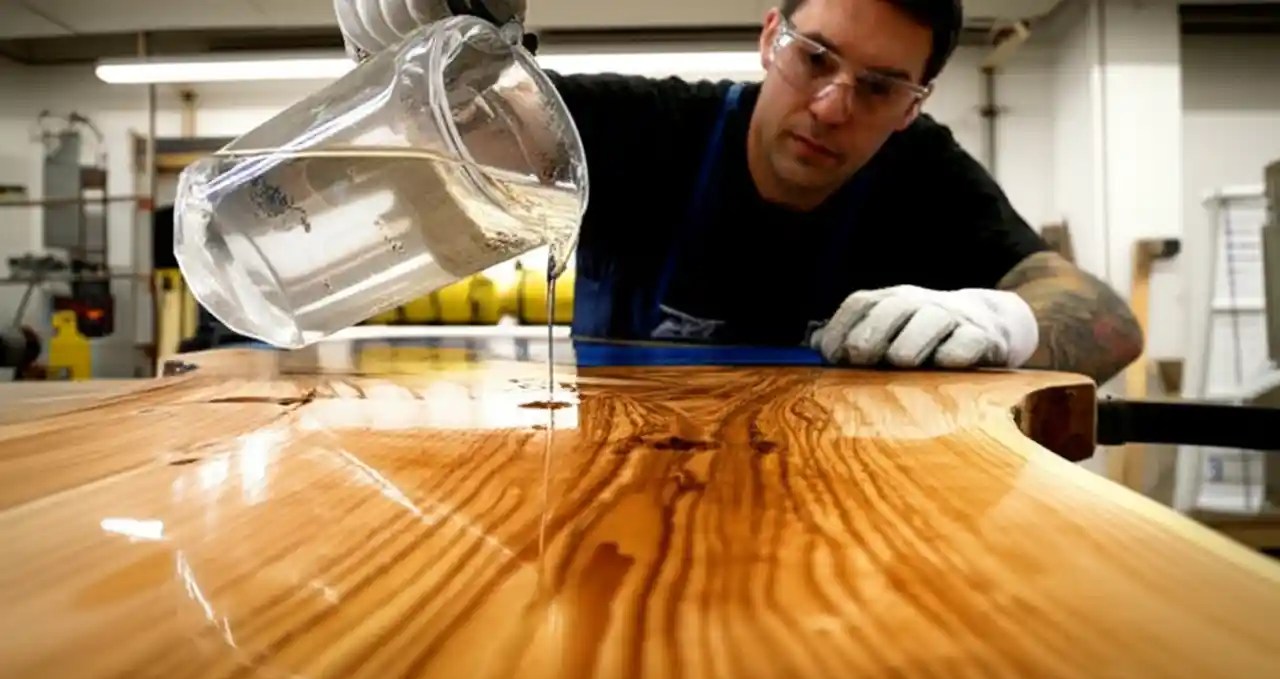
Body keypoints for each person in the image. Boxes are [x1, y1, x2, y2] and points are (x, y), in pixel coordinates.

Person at [334, 0, 1144, 384]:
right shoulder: (642, 128)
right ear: (769, 38)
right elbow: (444, 133)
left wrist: (1005, 321)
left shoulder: (924, 175)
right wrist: (421, 61)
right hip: (609, 488)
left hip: (856, 514)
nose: (832, 106)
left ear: (913, 108)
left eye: (880, 87)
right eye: (815, 59)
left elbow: (1105, 321)